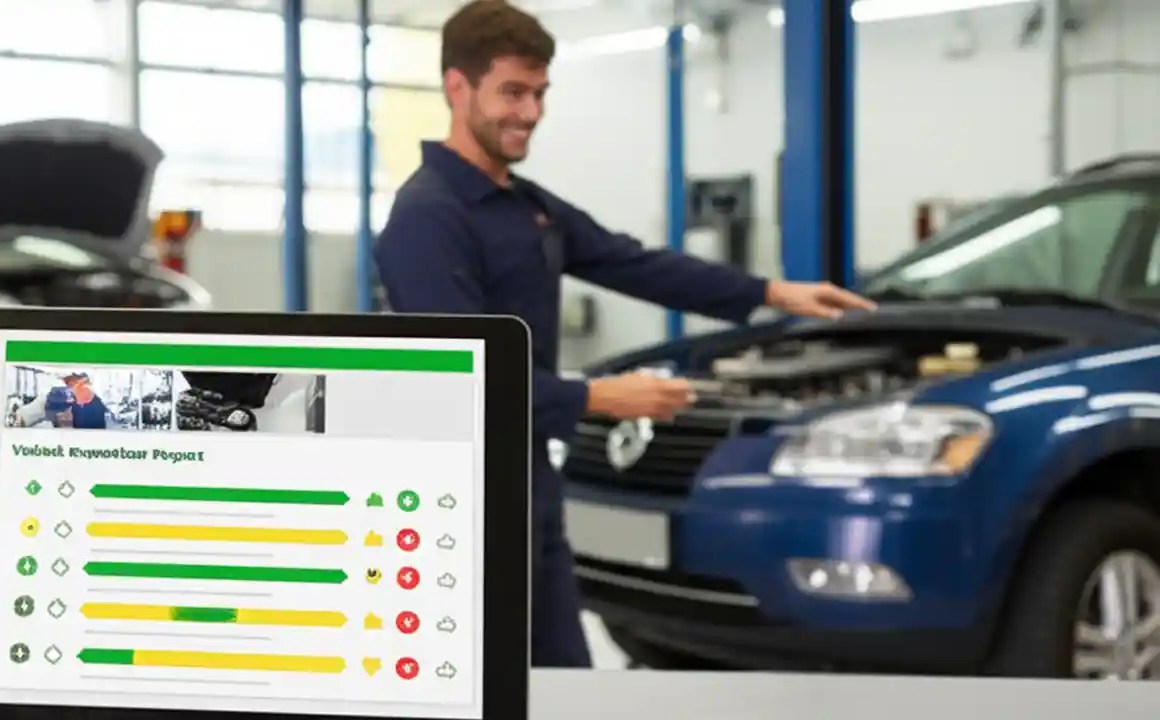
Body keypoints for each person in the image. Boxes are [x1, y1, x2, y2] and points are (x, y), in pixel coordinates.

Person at [373, 0, 876, 668]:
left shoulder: (529, 207)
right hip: (460, 498)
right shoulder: (426, 219)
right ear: (456, 87)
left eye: (540, 93)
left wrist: (769, 293)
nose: (529, 113)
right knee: (484, 677)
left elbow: (633, 262)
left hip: (529, 483)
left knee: (565, 677)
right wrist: (596, 399)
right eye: (512, 93)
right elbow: (461, 376)